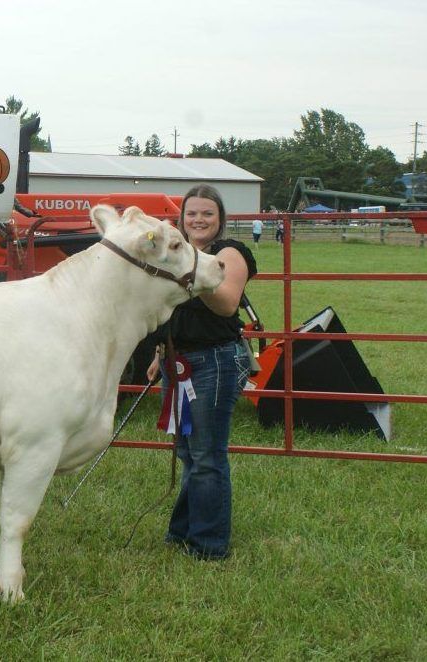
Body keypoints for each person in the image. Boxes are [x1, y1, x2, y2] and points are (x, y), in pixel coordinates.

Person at [146, 184, 257, 560]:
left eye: (207, 213)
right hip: (177, 362)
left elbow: (226, 304)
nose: (199, 220)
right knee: (188, 453)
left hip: (215, 360)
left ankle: (209, 545)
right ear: (182, 218)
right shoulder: (176, 256)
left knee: (207, 455)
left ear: (220, 219)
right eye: (192, 213)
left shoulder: (230, 254)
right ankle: (182, 532)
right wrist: (159, 355)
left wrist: (192, 270)